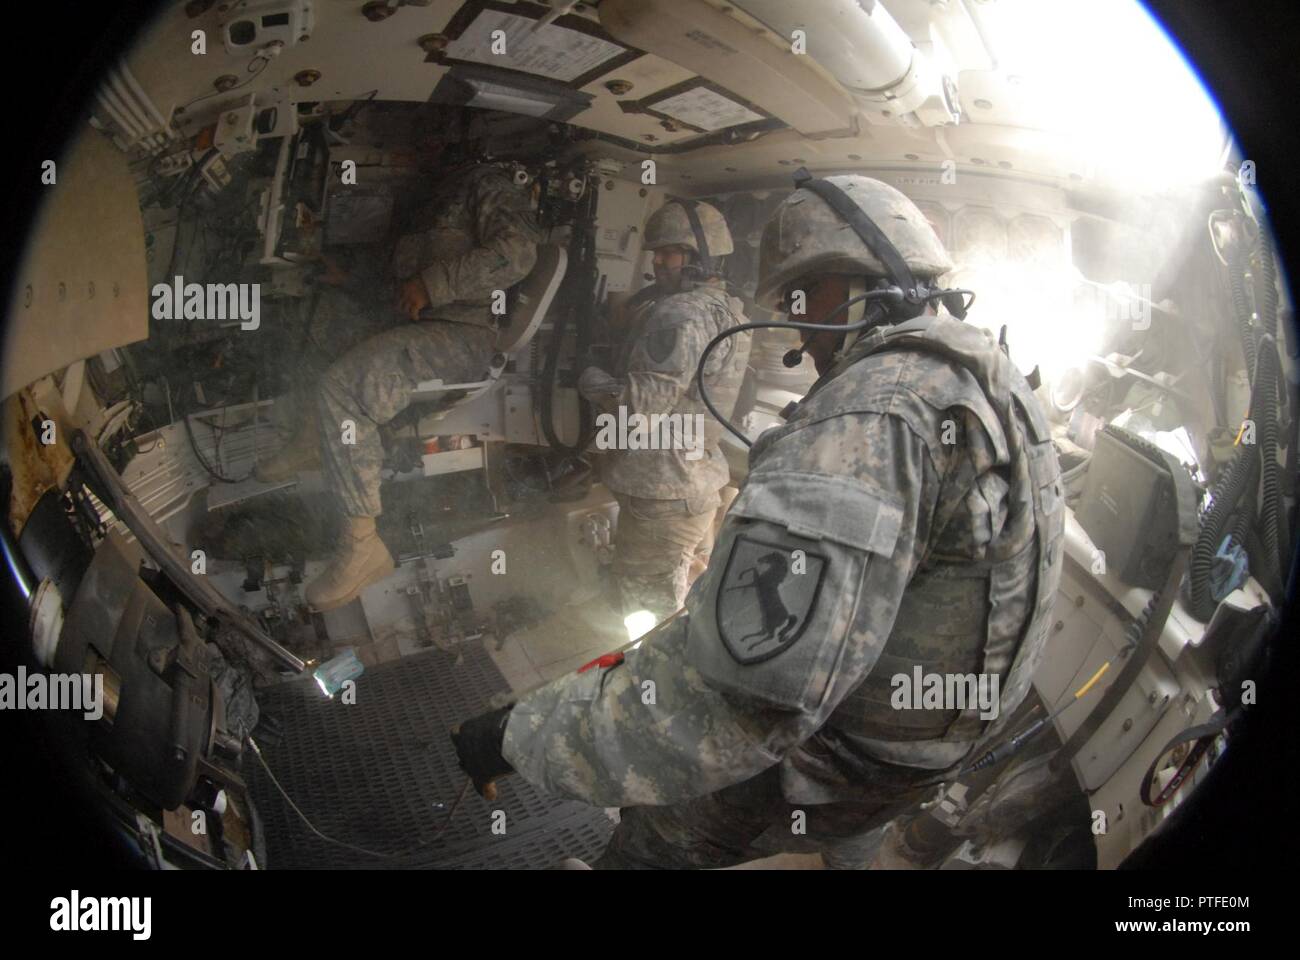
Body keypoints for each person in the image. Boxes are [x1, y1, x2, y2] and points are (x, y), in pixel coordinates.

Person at [451, 172, 1064, 869]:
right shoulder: (987, 373)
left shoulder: (873, 416)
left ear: (856, 281)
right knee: (852, 828)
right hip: (929, 749)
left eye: (808, 296)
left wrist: (519, 733)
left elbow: (735, 700)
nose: (802, 328)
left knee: (660, 831)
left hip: (850, 759)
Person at [255, 160, 542, 611]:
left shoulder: (486, 185)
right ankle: (313, 437)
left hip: (461, 335)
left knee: (344, 388)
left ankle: (363, 544)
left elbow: (519, 252)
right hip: (412, 324)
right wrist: (349, 279)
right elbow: (400, 283)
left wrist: (433, 285)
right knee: (319, 319)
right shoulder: (424, 197)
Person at [577, 199, 751, 627]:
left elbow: (637, 409)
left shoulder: (680, 312)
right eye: (655, 252)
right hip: (693, 485)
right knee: (685, 588)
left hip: (662, 495)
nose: (657, 262)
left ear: (700, 256)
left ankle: (646, 689)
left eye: (668, 252)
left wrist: (589, 378)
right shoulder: (729, 310)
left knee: (646, 615)